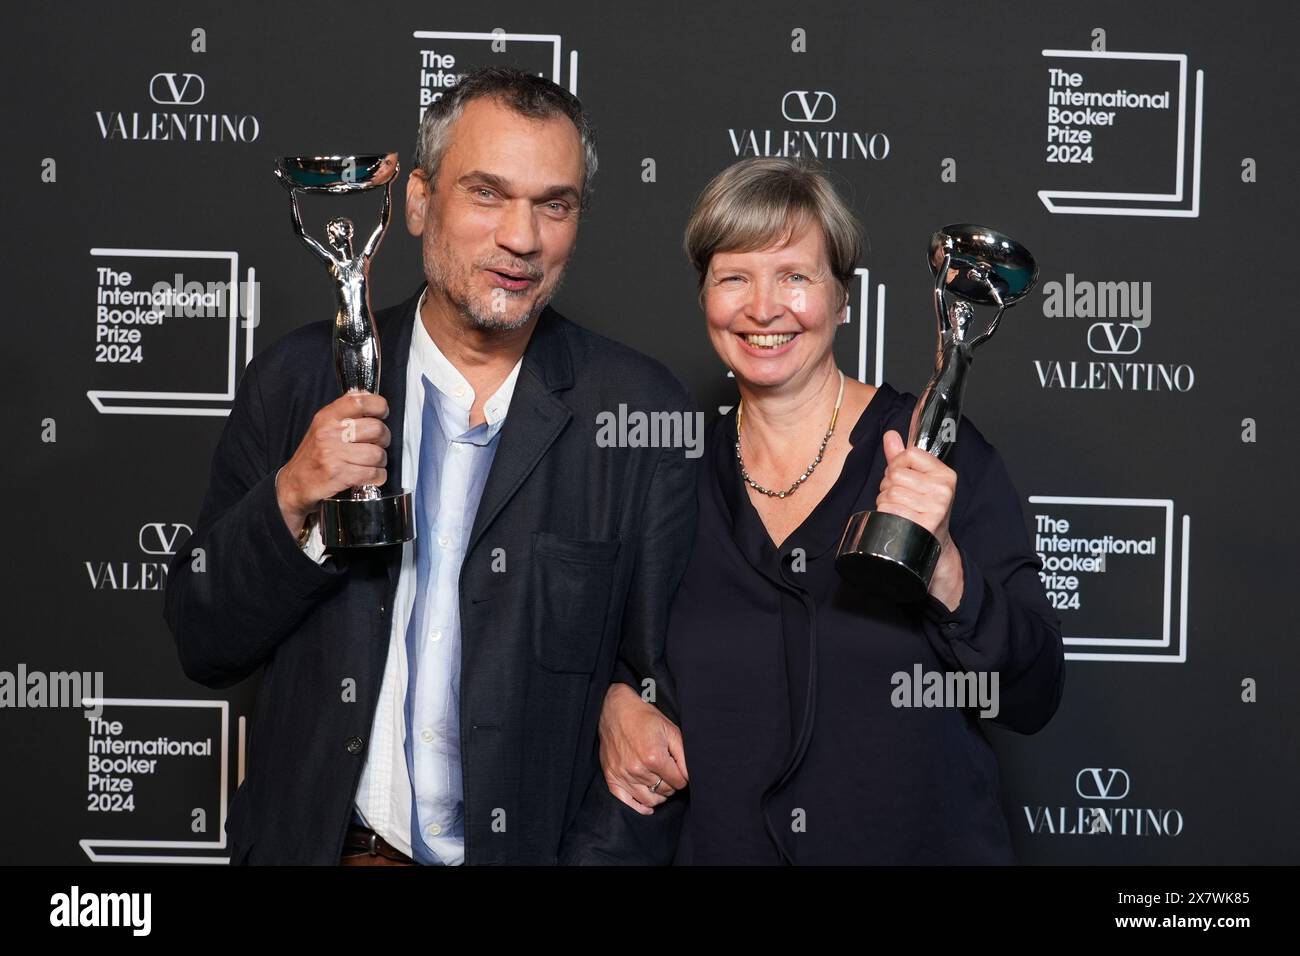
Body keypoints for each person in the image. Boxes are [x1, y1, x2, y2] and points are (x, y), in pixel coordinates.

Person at [165, 67, 694, 865]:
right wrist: (291, 497)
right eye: (486, 194)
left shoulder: (638, 412)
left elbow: (665, 701)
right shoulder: (300, 378)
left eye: (554, 204)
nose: (522, 238)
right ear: (415, 202)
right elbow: (203, 638)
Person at [599, 157, 1065, 864]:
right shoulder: (670, 471)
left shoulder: (938, 454)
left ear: (843, 300)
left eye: (795, 276)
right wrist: (613, 701)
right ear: (704, 298)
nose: (763, 306)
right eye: (734, 277)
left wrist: (945, 573)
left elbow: (1034, 694)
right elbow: (605, 645)